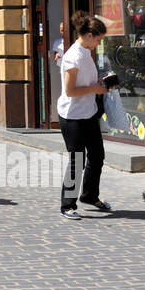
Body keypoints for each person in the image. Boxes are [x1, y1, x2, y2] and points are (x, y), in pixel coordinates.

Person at [57, 11, 113, 220]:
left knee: (97, 155)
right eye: (98, 39)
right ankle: (67, 205)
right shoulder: (73, 56)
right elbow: (70, 91)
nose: (98, 44)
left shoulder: (86, 52)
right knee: (77, 159)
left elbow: (89, 83)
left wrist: (103, 84)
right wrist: (94, 89)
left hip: (88, 112)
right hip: (72, 116)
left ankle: (90, 195)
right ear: (89, 35)